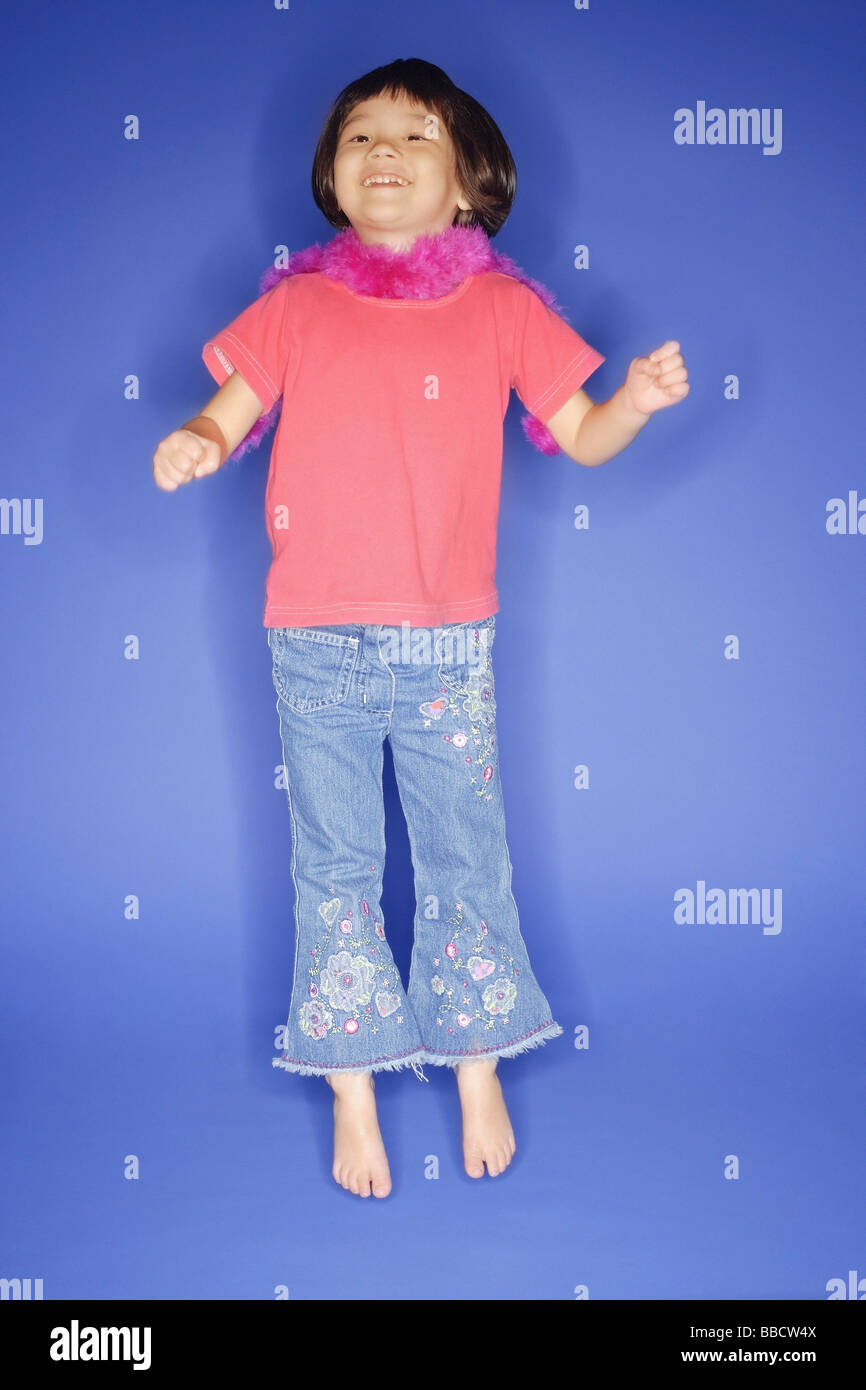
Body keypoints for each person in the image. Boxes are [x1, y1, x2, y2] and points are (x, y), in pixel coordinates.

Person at [152, 58, 689, 1201]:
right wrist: (199, 436)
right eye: (358, 136)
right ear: (332, 176)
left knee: (462, 857)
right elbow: (230, 403)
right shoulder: (293, 303)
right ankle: (350, 1085)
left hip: (448, 640)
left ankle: (473, 1058)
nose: (381, 150)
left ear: (465, 186)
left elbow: (579, 431)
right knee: (333, 865)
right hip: (312, 635)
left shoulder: (503, 306)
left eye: (412, 134)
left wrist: (632, 404)